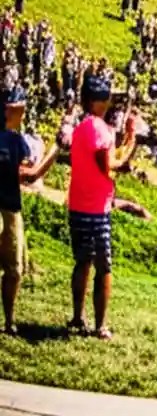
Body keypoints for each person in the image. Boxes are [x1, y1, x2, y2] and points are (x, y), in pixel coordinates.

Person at [66, 75, 137, 340]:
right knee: (103, 267)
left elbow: (108, 156)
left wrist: (129, 140)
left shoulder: (83, 126)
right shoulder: (99, 128)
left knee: (82, 262)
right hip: (96, 208)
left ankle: (77, 316)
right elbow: (107, 164)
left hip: (78, 204)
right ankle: (100, 325)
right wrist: (126, 163)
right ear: (102, 100)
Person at [0, 86, 58, 335]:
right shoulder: (13, 140)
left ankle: (9, 320)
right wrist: (57, 149)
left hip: (12, 208)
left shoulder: (17, 140)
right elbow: (29, 175)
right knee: (13, 269)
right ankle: (9, 320)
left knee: (15, 268)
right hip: (8, 208)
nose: (22, 112)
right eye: (19, 107)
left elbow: (28, 172)